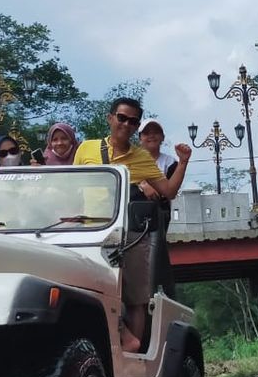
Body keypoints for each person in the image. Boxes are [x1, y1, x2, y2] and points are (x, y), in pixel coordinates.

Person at [72, 98, 190, 352]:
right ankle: (121, 340)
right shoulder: (86, 149)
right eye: (122, 118)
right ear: (110, 118)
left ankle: (132, 353)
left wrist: (182, 163)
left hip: (131, 233)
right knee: (93, 288)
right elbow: (72, 187)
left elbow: (168, 191)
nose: (126, 124)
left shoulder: (142, 158)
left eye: (133, 121)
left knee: (137, 297)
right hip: (93, 232)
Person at [135, 118, 189, 203]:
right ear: (140, 138)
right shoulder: (131, 161)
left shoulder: (170, 162)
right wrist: (143, 186)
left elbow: (171, 192)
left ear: (163, 137)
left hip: (160, 212)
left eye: (156, 132)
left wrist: (183, 161)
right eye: (146, 133)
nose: (151, 136)